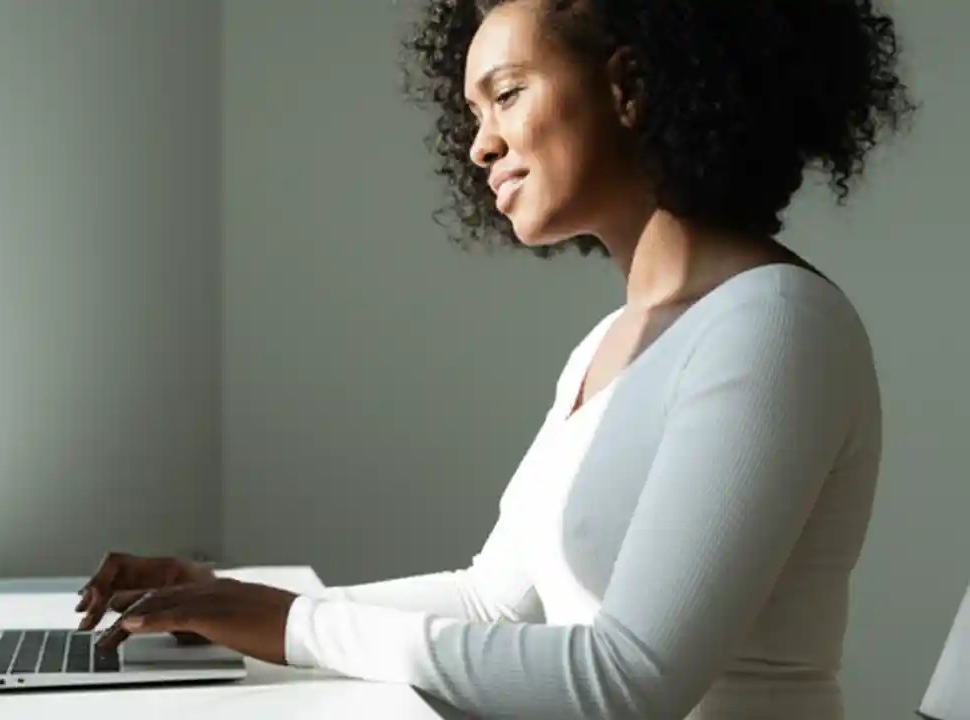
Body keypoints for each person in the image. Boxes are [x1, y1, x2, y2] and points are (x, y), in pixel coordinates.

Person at [73, 0, 917, 717]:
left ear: (631, 87)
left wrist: (289, 626)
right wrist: (225, 601)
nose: (479, 145)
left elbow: (631, 681)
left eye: (507, 95)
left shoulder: (775, 327)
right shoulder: (612, 343)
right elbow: (496, 598)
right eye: (474, 113)